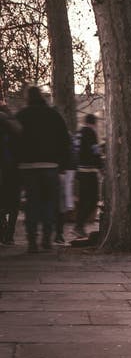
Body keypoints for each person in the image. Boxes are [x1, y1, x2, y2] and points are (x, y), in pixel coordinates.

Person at [16, 86, 70, 253]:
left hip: (28, 166)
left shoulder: (21, 115)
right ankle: (47, 239)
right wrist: (63, 164)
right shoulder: (53, 115)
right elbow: (65, 140)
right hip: (50, 165)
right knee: (49, 203)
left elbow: (13, 140)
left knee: (32, 203)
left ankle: (32, 241)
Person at [74, 113, 102, 238]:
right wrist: (101, 166)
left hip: (80, 171)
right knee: (93, 200)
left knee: (83, 200)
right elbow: (95, 150)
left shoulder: (79, 133)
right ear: (93, 123)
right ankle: (79, 226)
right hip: (89, 171)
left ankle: (79, 226)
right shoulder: (91, 133)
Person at [0, 100, 22, 245]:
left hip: (5, 168)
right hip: (13, 168)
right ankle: (9, 236)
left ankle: (2, 230)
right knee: (14, 204)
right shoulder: (13, 124)